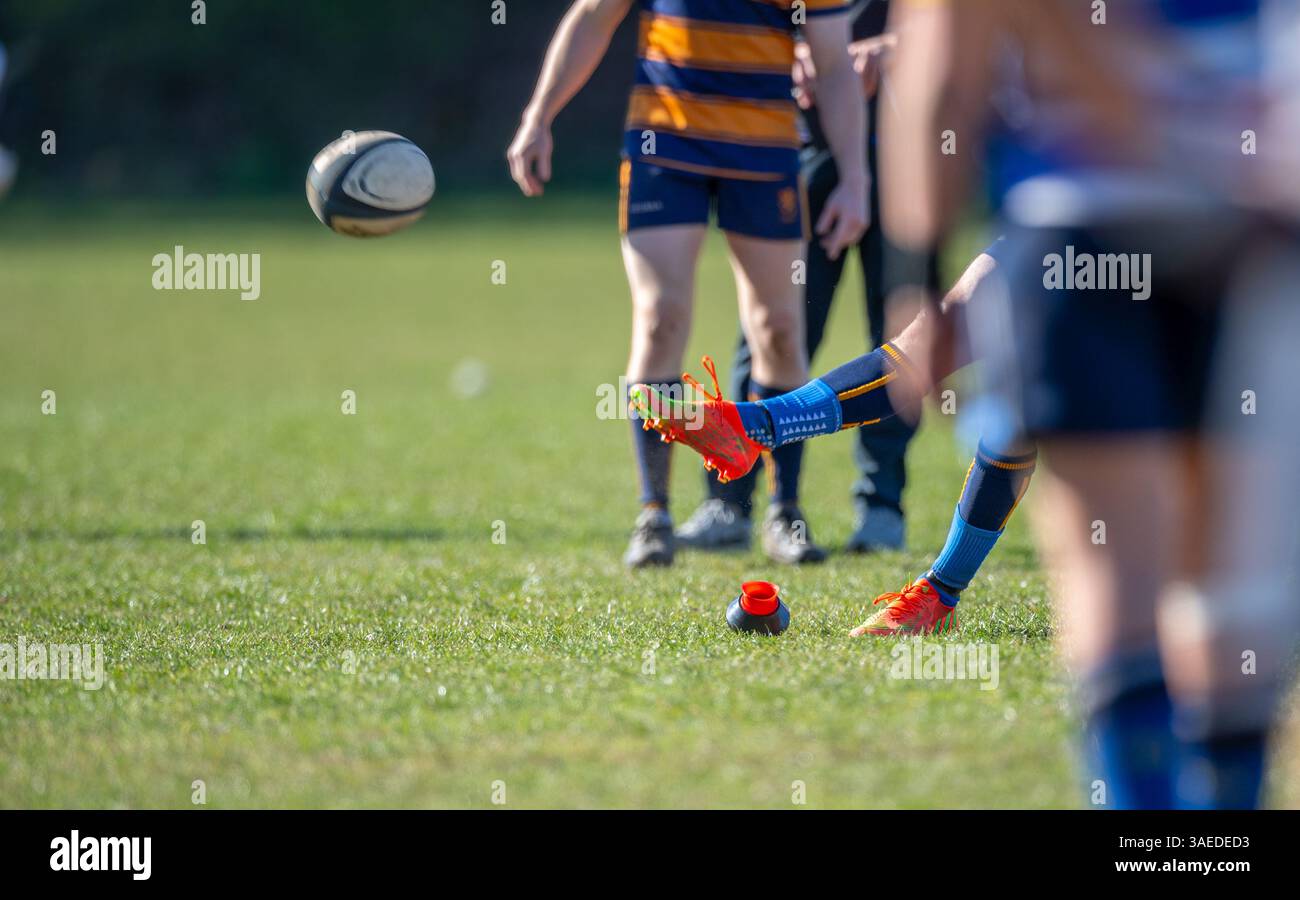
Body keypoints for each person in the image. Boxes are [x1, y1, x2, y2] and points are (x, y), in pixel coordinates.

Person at [877, 0, 1300, 809]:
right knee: (1230, 609)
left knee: (1117, 589)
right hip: (1253, 241)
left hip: (1080, 234)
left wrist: (920, 279)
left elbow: (940, 78)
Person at [508, 0, 869, 568]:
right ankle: (654, 514)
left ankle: (784, 512)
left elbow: (833, 62)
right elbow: (593, 18)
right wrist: (538, 117)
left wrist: (855, 177)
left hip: (765, 149)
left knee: (777, 327)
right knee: (660, 318)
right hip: (664, 148)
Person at [632, 247, 1039, 635]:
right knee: (940, 333)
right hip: (1055, 219)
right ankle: (754, 423)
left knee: (1026, 405)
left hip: (1098, 247)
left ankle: (945, 590)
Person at [676, 3, 913, 562]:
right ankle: (731, 503)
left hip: (913, 158)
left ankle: (882, 505)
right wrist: (798, 53)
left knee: (905, 337)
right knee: (773, 327)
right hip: (802, 148)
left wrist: (893, 47)